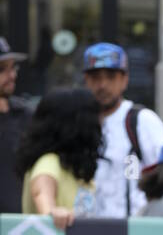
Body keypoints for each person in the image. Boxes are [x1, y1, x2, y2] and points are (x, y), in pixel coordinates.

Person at [82, 43, 163, 218]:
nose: (102, 85)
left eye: (111, 76)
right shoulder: (76, 124)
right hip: (88, 231)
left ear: (124, 80)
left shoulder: (142, 120)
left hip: (136, 231)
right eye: (95, 77)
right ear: (86, 80)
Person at [17, 87, 101, 227]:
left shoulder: (74, 168)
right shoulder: (48, 163)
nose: (100, 123)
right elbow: (41, 194)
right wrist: (52, 211)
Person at [0, 36, 33, 214]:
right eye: (2, 69)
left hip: (19, 228)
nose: (12, 75)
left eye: (13, 67)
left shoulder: (27, 116)